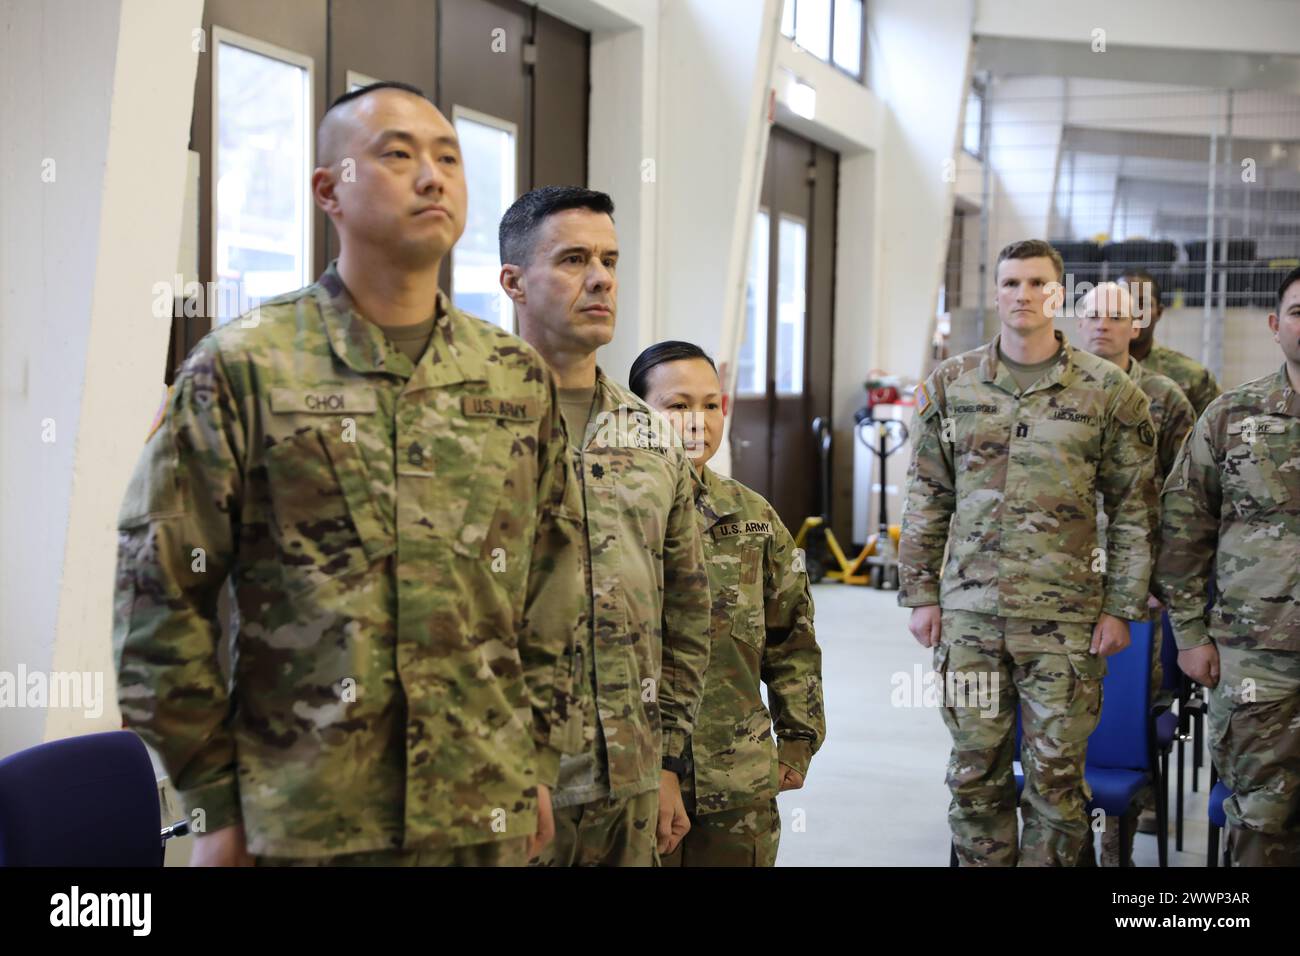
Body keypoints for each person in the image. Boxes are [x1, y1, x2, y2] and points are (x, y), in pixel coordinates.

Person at [112, 82, 584, 866]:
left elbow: (552, 577)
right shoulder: (243, 367)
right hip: (302, 816)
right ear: (330, 189)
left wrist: (535, 757)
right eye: (398, 155)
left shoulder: (512, 377)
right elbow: (159, 596)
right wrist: (212, 803)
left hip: (481, 807)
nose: (432, 177)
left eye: (449, 159)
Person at [898, 239, 1157, 866]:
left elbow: (1133, 509)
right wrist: (921, 594)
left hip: (1066, 624)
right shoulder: (952, 384)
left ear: (1058, 295)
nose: (1023, 295)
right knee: (975, 773)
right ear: (995, 294)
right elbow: (928, 494)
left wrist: (1120, 606)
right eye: (1011, 283)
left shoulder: (1108, 392)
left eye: (1037, 283)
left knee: (1057, 783)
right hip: (971, 616)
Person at [498, 186, 711, 866]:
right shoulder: (465, 425)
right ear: (514, 283)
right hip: (504, 783)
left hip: (631, 779)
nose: (600, 278)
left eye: (609, 260)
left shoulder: (652, 435)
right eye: (572, 259)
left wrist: (670, 760)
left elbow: (685, 606)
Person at [628, 341, 825, 866]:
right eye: (677, 406)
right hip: (636, 784)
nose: (698, 422)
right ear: (636, 415)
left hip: (737, 780)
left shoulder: (751, 516)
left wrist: (798, 741)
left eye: (710, 405)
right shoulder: (610, 517)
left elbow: (793, 638)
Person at [1157, 265, 1300, 866]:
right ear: (1274, 325)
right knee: (1261, 820)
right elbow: (1183, 530)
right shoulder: (1231, 418)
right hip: (1255, 658)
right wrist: (1189, 635)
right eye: (1299, 312)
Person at [1076, 281, 1195, 864]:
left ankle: (1117, 841)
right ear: (1078, 323)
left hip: (1134, 580)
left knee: (1129, 710)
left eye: (1115, 317)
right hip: (1063, 580)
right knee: (1059, 708)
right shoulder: (1058, 390)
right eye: (1092, 316)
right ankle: (1063, 830)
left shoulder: (1164, 397)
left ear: (1138, 325)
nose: (1102, 326)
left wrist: (1162, 581)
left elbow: (1187, 495)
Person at [1121, 269, 1222, 418]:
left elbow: (1215, 433)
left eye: (1142, 304)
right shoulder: (1089, 372)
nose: (1134, 312)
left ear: (1159, 312)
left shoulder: (1193, 377)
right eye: (1124, 303)